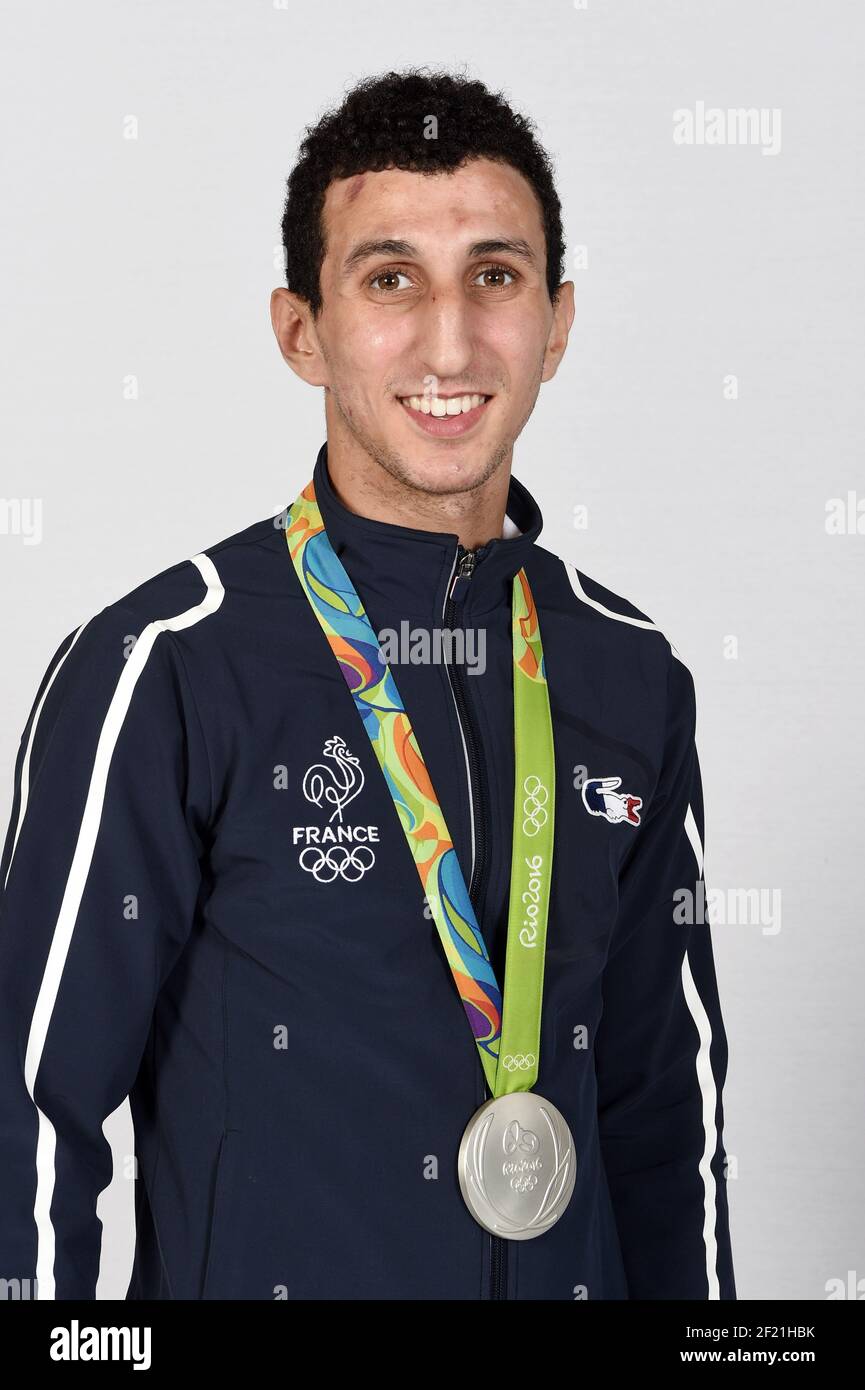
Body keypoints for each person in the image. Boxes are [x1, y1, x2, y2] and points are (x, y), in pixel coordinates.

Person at [0, 67, 735, 1301]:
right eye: (390, 279)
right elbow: (27, 1109)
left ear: (556, 323)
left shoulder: (626, 669)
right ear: (304, 329)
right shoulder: (168, 664)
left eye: (493, 277)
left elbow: (670, 1119)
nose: (449, 342)